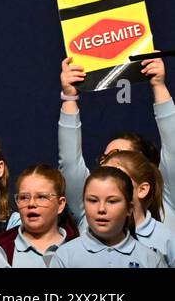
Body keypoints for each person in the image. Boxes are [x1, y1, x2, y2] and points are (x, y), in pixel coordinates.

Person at [58, 54, 175, 221]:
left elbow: (173, 147)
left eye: (118, 154)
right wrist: (69, 96)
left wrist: (159, 85)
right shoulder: (88, 207)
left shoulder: (167, 204)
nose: (107, 162)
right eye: (105, 157)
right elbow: (69, 162)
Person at [50, 167, 168, 268]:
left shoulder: (150, 260)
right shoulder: (65, 256)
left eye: (112, 201)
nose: (101, 209)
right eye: (93, 200)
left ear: (129, 208)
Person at [0, 165, 75, 267]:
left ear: (60, 204)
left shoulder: (78, 248)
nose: (31, 204)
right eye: (24, 198)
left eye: (41, 197)